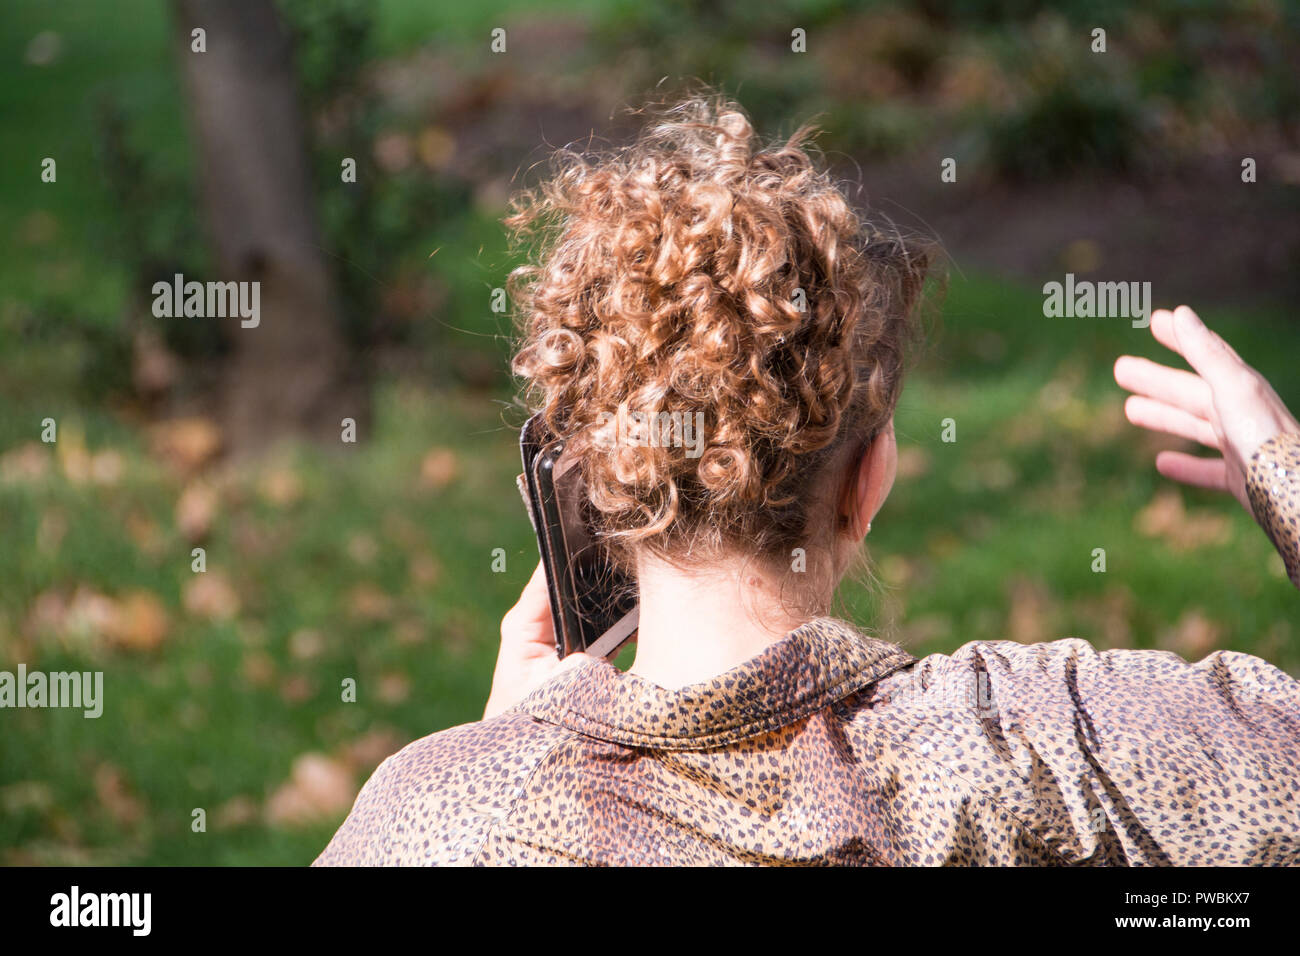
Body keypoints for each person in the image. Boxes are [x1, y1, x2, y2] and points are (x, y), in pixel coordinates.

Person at [315, 94, 1300, 866]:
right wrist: (1282, 472)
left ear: (601, 480)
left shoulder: (434, 816)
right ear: (867, 478)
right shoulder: (1036, 745)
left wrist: (495, 760)